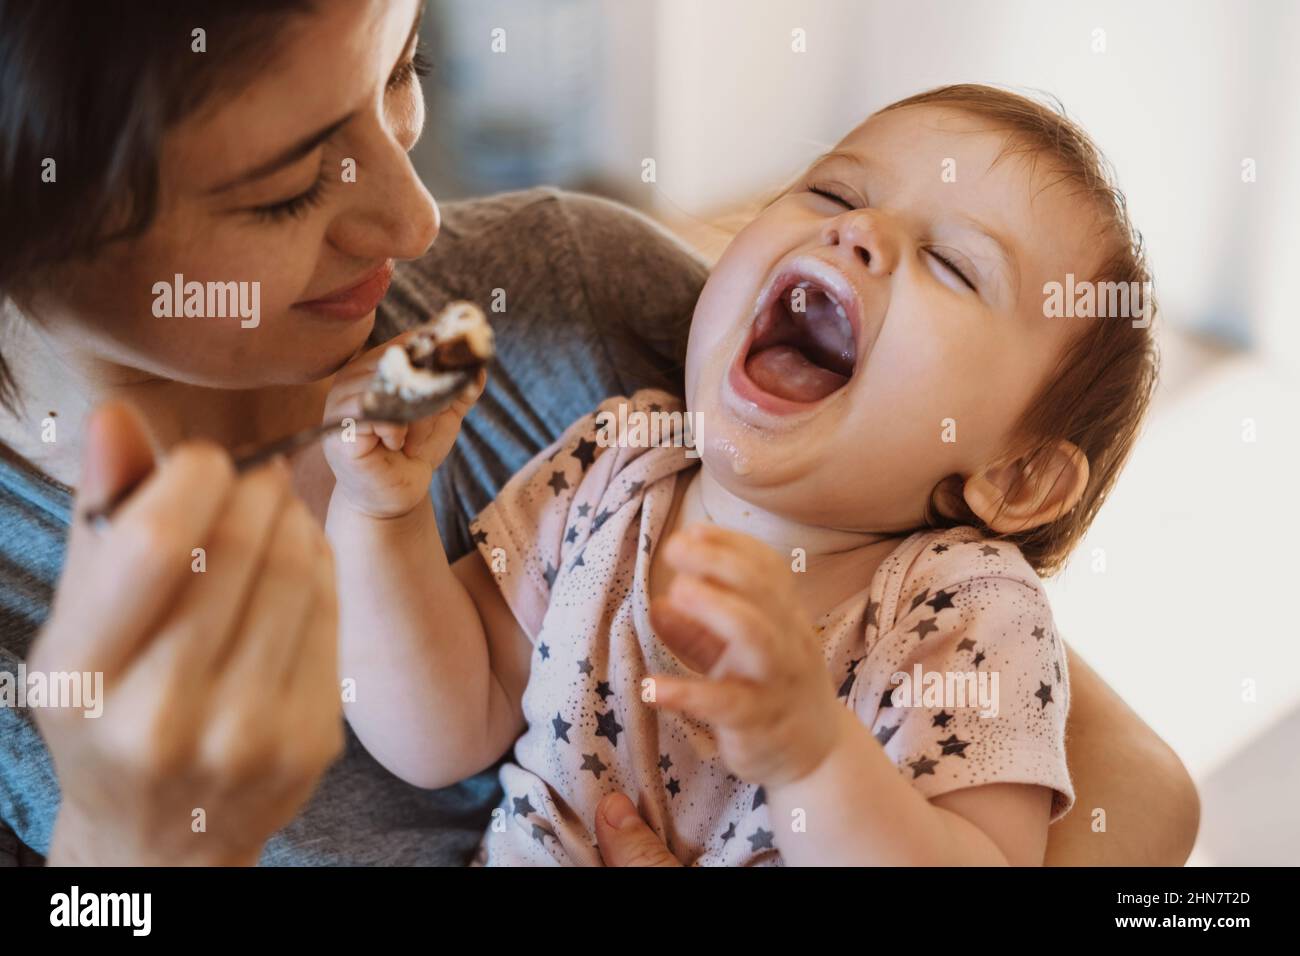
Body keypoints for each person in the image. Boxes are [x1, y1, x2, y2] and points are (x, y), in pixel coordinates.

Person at [0, 0, 1197, 865]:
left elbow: (1137, 801)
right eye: (285, 186)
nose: (415, 219)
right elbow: (443, 723)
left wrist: (811, 754)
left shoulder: (958, 599)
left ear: (1018, 474)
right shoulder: (622, 463)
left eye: (404, 65)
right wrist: (379, 516)